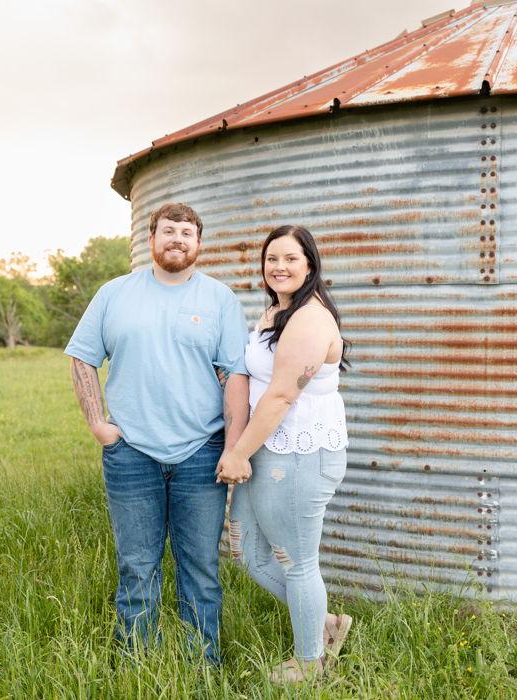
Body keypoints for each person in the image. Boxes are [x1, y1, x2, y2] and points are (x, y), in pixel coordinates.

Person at [65, 202, 249, 665]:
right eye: (169, 230)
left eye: (187, 233)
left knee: (201, 568)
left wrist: (232, 448)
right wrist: (100, 426)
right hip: (131, 452)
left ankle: (202, 666)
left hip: (201, 452)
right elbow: (82, 356)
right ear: (151, 239)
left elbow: (236, 375)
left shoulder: (220, 299)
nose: (177, 239)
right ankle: (136, 664)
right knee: (136, 567)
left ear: (199, 243)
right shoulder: (114, 294)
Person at [216, 224, 352, 683]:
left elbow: (280, 397)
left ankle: (311, 663)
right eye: (272, 258)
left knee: (298, 562)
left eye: (291, 258)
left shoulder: (310, 319)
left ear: (310, 265)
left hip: (300, 454)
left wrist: (237, 453)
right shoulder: (276, 310)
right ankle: (326, 624)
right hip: (267, 449)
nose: (279, 267)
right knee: (250, 553)